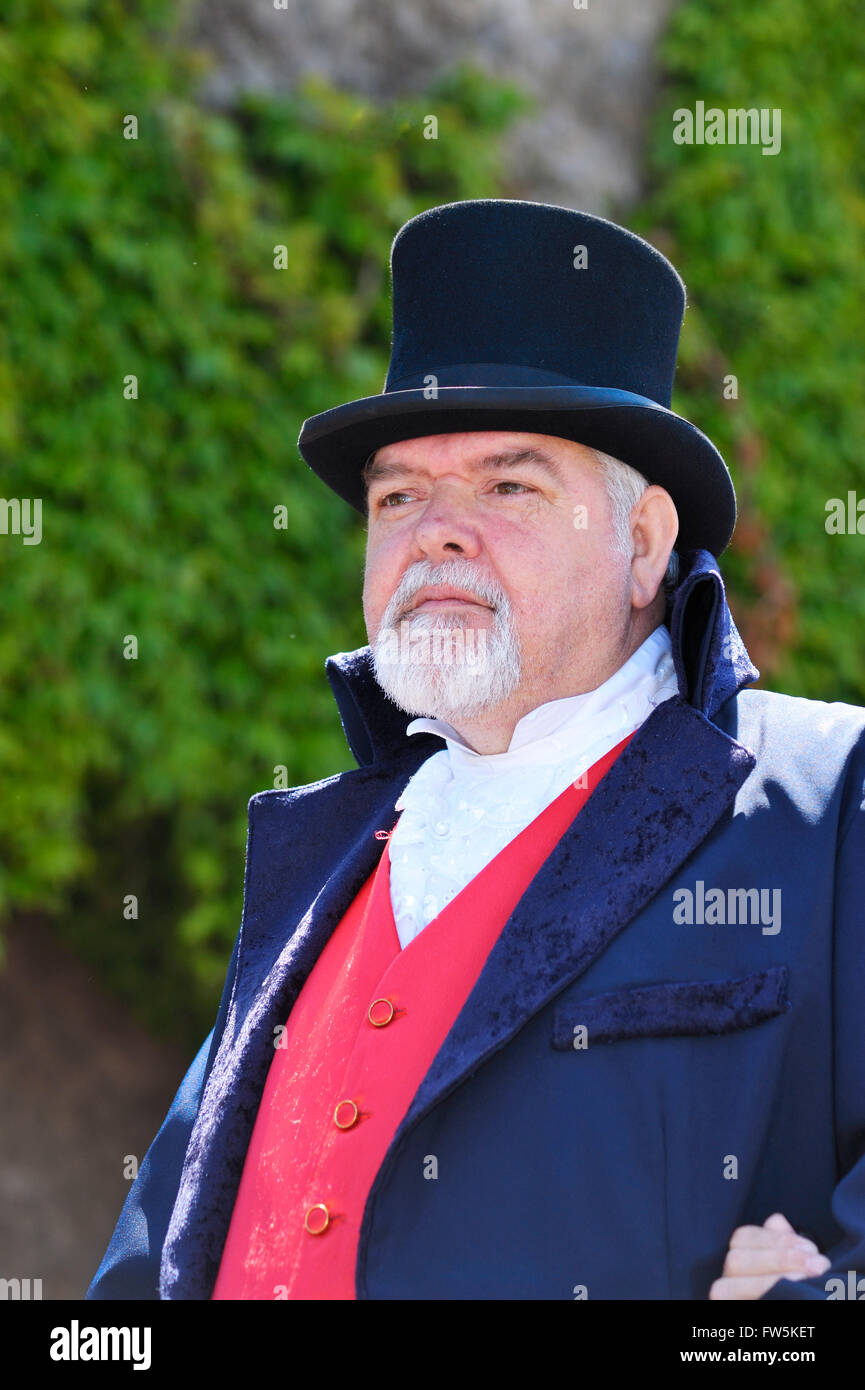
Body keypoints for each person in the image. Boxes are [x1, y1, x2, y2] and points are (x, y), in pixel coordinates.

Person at [87, 199, 865, 1300]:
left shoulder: (831, 804)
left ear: (643, 542)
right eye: (398, 494)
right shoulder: (323, 859)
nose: (435, 529)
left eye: (508, 484)